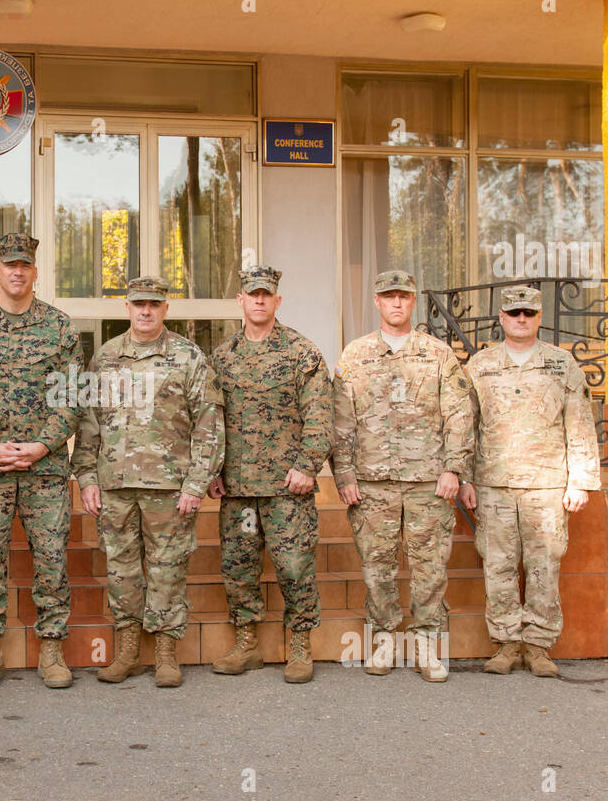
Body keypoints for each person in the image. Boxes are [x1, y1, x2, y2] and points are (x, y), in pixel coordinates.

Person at [73, 275, 225, 688]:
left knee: (167, 569)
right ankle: (126, 651)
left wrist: (196, 485)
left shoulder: (188, 356)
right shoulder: (104, 359)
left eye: (153, 304)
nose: (145, 311)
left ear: (165, 309)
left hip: (170, 487)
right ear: (126, 308)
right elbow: (89, 425)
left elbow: (208, 425)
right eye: (138, 304)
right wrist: (87, 477)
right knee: (121, 570)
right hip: (115, 485)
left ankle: (165, 653)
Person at [0, 234, 83, 690]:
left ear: (35, 273)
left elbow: (70, 397)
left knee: (51, 559)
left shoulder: (61, 328)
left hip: (45, 470)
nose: (18, 272)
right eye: (10, 266)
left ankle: (52, 650)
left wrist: (42, 445)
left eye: (25, 266)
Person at [332, 270, 473, 682]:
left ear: (413, 302)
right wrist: (343, 474)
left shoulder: (439, 354)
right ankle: (383, 641)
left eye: (404, 296)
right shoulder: (355, 355)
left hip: (428, 482)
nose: (396, 303)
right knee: (377, 568)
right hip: (371, 483)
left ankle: (429, 644)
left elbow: (459, 414)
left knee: (430, 568)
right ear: (376, 302)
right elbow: (341, 420)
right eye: (388, 296)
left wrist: (454, 468)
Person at [460, 285, 601, 677]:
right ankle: (506, 643)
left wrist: (581, 480)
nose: (521, 319)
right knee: (498, 565)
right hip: (494, 483)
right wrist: (464, 477)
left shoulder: (562, 365)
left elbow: (579, 422)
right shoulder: (480, 366)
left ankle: (538, 645)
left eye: (529, 313)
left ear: (539, 318)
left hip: (547, 484)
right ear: (502, 318)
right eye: (514, 313)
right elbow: (465, 426)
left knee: (544, 565)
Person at [207, 266, 332, 683]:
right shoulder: (223, 356)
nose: (259, 301)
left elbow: (320, 414)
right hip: (239, 490)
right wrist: (213, 469)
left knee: (294, 565)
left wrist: (307, 465)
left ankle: (299, 644)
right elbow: (212, 419)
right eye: (251, 294)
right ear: (240, 301)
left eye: (266, 295)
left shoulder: (302, 352)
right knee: (239, 566)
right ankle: (247, 645)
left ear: (277, 301)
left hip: (286, 488)